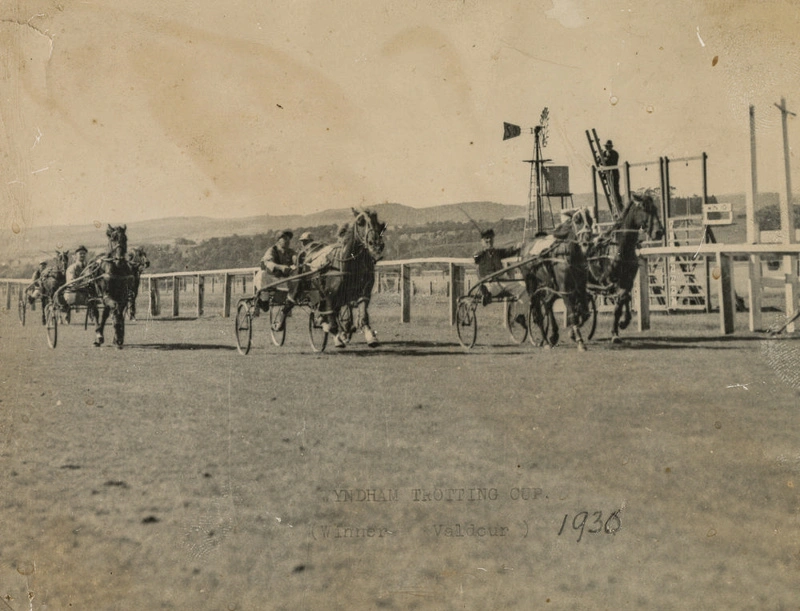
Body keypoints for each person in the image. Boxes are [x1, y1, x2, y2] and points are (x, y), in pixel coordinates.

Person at [253, 230, 296, 324]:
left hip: (283, 280)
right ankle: (264, 301)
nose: (287, 241)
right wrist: (280, 267)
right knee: (262, 274)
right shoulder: (272, 250)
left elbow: (295, 258)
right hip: (271, 278)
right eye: (284, 238)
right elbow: (268, 263)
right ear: (278, 241)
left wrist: (296, 262)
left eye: (288, 239)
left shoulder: (291, 252)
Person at [472, 228, 521, 306]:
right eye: (486, 239)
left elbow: (509, 251)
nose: (489, 240)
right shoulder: (480, 255)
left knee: (522, 289)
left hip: (503, 281)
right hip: (490, 283)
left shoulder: (498, 252)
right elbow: (475, 257)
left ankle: (519, 315)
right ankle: (485, 293)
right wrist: (479, 253)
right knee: (489, 290)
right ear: (482, 241)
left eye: (491, 238)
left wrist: (517, 247)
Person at [602, 139, 622, 211]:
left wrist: (604, 159)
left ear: (611, 147)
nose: (607, 148)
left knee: (615, 189)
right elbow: (601, 162)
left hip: (614, 173)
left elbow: (611, 162)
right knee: (610, 190)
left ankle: (619, 205)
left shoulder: (614, 153)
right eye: (606, 146)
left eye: (608, 146)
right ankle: (614, 204)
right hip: (607, 173)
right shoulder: (604, 153)